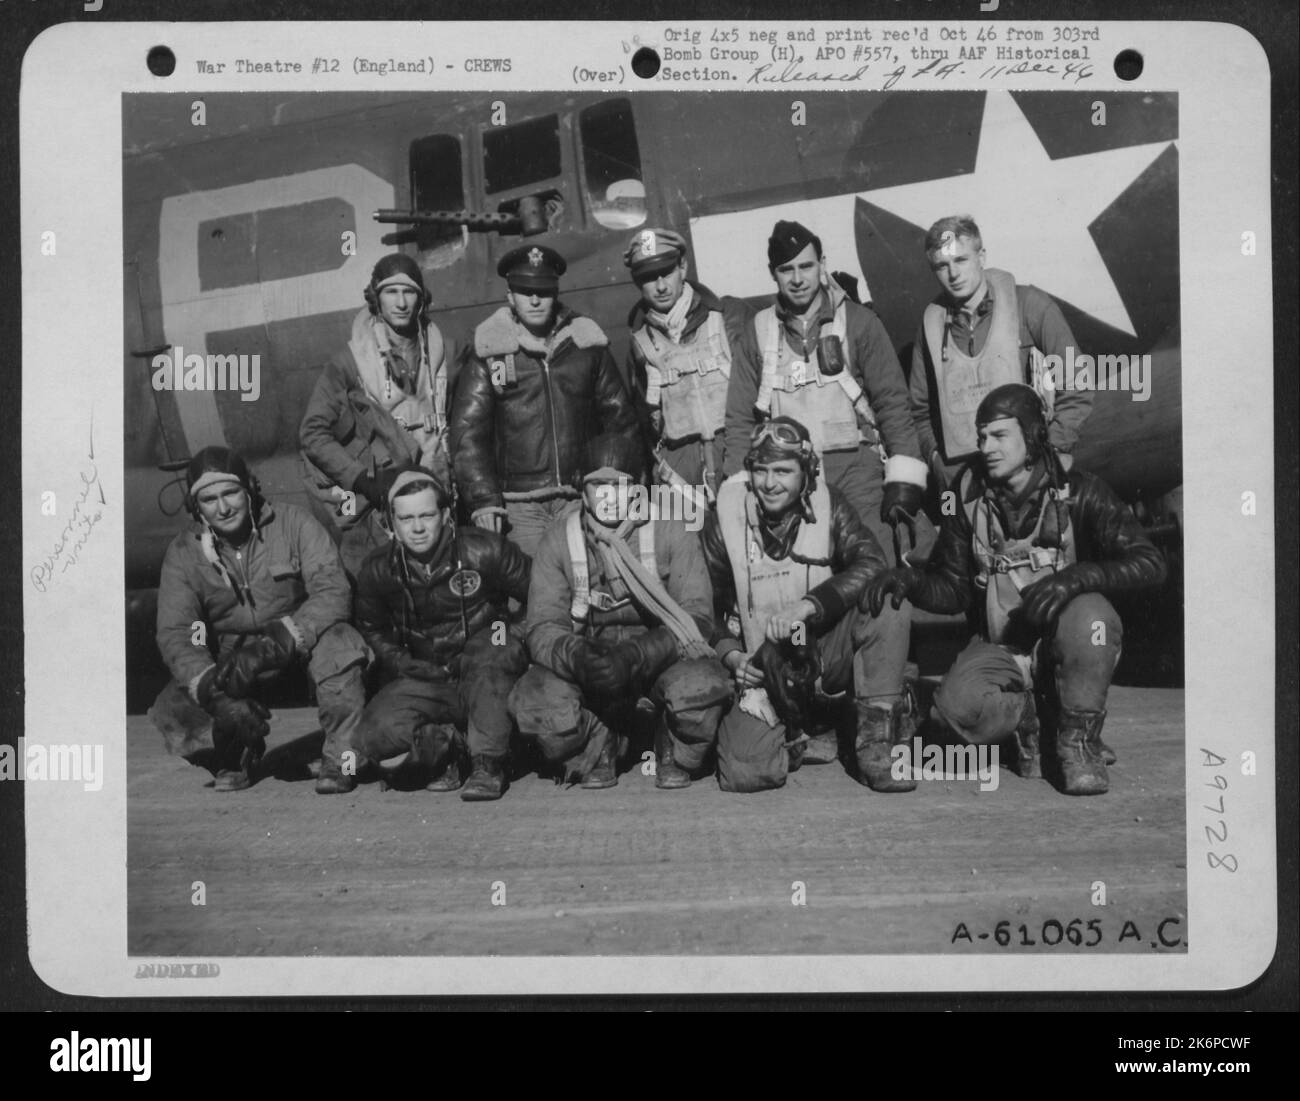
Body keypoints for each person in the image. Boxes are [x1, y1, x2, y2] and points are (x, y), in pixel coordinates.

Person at [864, 384, 1166, 795]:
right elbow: (954, 589)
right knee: (955, 711)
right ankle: (1032, 718)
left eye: (999, 435)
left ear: (1034, 436)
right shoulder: (965, 495)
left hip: (1065, 644)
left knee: (1093, 619)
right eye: (981, 436)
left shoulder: (1081, 491)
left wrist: (1077, 578)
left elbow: (1150, 563)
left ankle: (1078, 744)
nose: (985, 447)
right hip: (1005, 649)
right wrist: (911, 581)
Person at [701, 416, 914, 793]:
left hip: (821, 649)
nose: (769, 483)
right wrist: (731, 656)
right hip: (764, 668)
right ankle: (802, 730)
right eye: (760, 470)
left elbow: (872, 563)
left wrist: (809, 605)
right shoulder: (724, 518)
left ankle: (876, 744)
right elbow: (704, 607)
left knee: (888, 600)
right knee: (745, 771)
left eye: (783, 471)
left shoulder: (830, 504)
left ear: (807, 472)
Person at [509, 433, 732, 789]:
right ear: (583, 492)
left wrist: (638, 655)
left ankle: (669, 743)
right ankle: (599, 743)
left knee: (704, 684)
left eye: (620, 486)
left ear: (637, 488)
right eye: (599, 486)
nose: (610, 497)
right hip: (592, 670)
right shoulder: (558, 539)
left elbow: (699, 616)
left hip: (660, 662)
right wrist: (577, 657)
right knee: (533, 698)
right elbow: (542, 626)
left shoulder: (670, 528)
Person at [148, 446, 368, 794]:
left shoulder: (294, 524)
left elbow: (332, 590)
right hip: (235, 664)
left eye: (231, 493)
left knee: (341, 648)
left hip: (298, 649)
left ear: (249, 489)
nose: (223, 507)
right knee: (172, 708)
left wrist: (278, 642)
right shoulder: (183, 553)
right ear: (195, 506)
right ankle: (232, 753)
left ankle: (341, 759)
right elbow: (177, 632)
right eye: (209, 499)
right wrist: (215, 694)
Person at [723, 220, 929, 565]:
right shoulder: (756, 333)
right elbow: (740, 417)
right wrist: (739, 489)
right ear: (772, 273)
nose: (798, 279)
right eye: (786, 270)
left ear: (822, 264)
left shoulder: (860, 322)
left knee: (875, 570)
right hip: (790, 483)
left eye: (806, 266)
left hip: (858, 472)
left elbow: (892, 403)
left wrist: (904, 478)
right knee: (808, 577)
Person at [449, 244, 641, 559]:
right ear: (510, 296)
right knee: (532, 585)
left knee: (592, 579)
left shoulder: (586, 344)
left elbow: (621, 421)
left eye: (543, 290)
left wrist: (623, 487)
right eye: (525, 291)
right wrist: (484, 499)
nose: (535, 300)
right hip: (518, 509)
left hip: (582, 499)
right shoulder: (492, 350)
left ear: (556, 292)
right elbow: (468, 434)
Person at [352, 467, 531, 801]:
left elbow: (540, 595)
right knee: (372, 736)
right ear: (391, 523)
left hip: (486, 669)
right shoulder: (377, 569)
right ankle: (451, 746)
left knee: (493, 648)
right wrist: (400, 662)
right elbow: (371, 627)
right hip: (430, 676)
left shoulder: (487, 549)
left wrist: (509, 634)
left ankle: (488, 764)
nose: (417, 528)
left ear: (446, 515)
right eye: (406, 519)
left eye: (426, 515)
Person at [909, 215, 1094, 490]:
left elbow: (1077, 383)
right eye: (942, 266)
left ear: (981, 256)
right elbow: (919, 410)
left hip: (1029, 470)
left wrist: (1051, 452)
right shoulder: (931, 327)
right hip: (966, 479)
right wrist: (938, 462)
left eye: (961, 260)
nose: (954, 274)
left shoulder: (1028, 305)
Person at [300, 252, 454, 575]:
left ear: (421, 299)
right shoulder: (349, 361)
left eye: (409, 292)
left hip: (435, 491)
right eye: (391, 292)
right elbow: (312, 433)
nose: (401, 302)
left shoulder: (444, 351)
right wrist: (361, 479)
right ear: (376, 299)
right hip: (378, 500)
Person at [622, 227, 752, 506]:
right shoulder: (639, 345)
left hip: (739, 459)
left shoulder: (727, 317)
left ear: (682, 267)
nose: (660, 286)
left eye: (666, 272)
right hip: (680, 479)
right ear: (636, 282)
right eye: (648, 277)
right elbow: (644, 428)